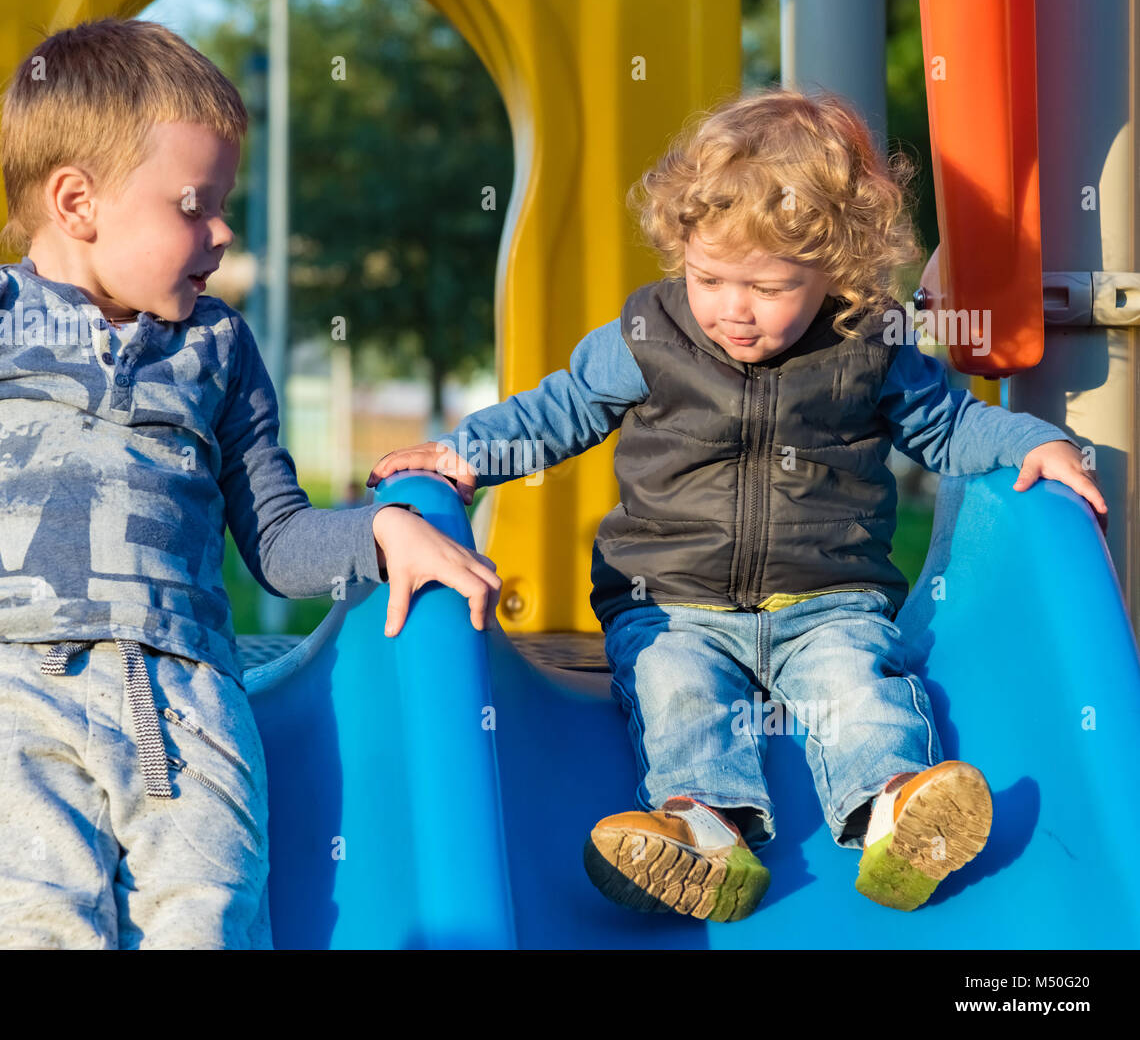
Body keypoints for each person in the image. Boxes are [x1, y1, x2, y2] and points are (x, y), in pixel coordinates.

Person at [368, 88, 1107, 921]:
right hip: (672, 600)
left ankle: (899, 814)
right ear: (681, 248)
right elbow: (558, 412)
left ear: (835, 265)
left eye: (767, 286)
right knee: (676, 689)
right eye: (709, 276)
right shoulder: (650, 336)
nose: (732, 308)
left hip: (828, 597)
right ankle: (703, 833)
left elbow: (950, 426)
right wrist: (466, 454)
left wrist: (1032, 444)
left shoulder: (872, 342)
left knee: (858, 683)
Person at [0, 17, 500, 948]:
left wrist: (378, 533)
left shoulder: (217, 348)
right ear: (78, 202)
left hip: (185, 699)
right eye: (196, 204)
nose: (224, 231)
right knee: (41, 921)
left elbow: (275, 539)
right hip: (4, 691)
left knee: (212, 919)